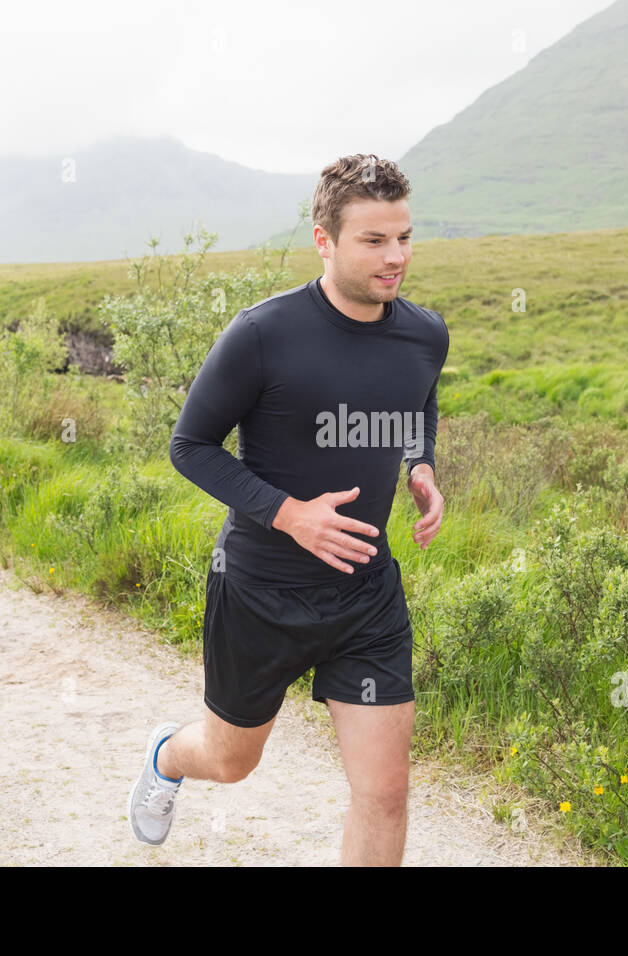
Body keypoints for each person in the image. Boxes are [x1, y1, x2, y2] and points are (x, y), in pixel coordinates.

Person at [128, 152, 448, 866]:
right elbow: (191, 446)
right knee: (231, 758)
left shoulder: (425, 333)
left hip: (366, 593)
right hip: (260, 594)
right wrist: (289, 515)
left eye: (404, 237)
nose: (396, 257)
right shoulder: (263, 334)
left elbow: (418, 399)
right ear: (324, 240)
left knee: (385, 791)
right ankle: (168, 758)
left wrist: (418, 464)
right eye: (374, 241)